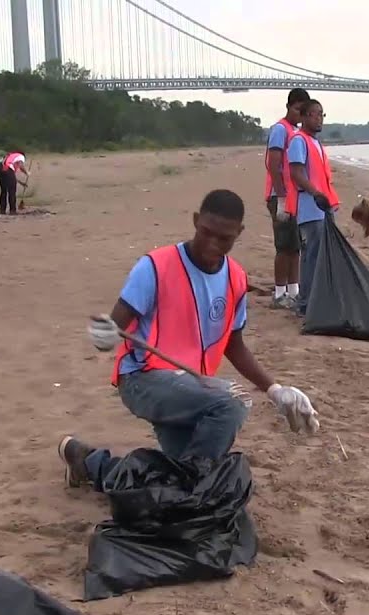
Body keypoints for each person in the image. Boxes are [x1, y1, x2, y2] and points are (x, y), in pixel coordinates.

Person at [59, 189, 320, 492]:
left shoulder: (235, 278)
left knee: (174, 479)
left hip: (193, 388)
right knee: (232, 404)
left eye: (224, 239)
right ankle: (192, 488)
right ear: (196, 221)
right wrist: (104, 335)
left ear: (239, 233)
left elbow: (233, 344)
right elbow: (116, 325)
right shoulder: (156, 266)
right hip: (142, 379)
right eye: (206, 232)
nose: (212, 244)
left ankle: (89, 462)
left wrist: (275, 390)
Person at [286, 99, 339, 317]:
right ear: (304, 116)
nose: (319, 119)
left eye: (321, 115)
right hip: (310, 208)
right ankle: (305, 303)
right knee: (312, 257)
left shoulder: (316, 143)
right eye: (315, 114)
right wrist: (315, 193)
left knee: (322, 256)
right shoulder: (299, 141)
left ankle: (316, 299)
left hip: (324, 207)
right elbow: (296, 173)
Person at [265, 88, 310, 309]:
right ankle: (279, 293)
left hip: (295, 197)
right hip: (280, 196)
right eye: (298, 110)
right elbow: (273, 164)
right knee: (283, 246)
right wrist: (281, 197)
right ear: (289, 107)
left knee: (295, 246)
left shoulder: (296, 132)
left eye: (303, 112)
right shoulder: (280, 130)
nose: (300, 115)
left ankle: (293, 291)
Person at [0, 149, 30, 215]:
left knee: (3, 191)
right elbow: (20, 166)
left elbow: (11, 177)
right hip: (8, 170)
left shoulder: (9, 156)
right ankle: (12, 211)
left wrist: (22, 183)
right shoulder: (20, 156)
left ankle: (2, 210)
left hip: (1, 171)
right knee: (12, 191)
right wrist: (27, 173)